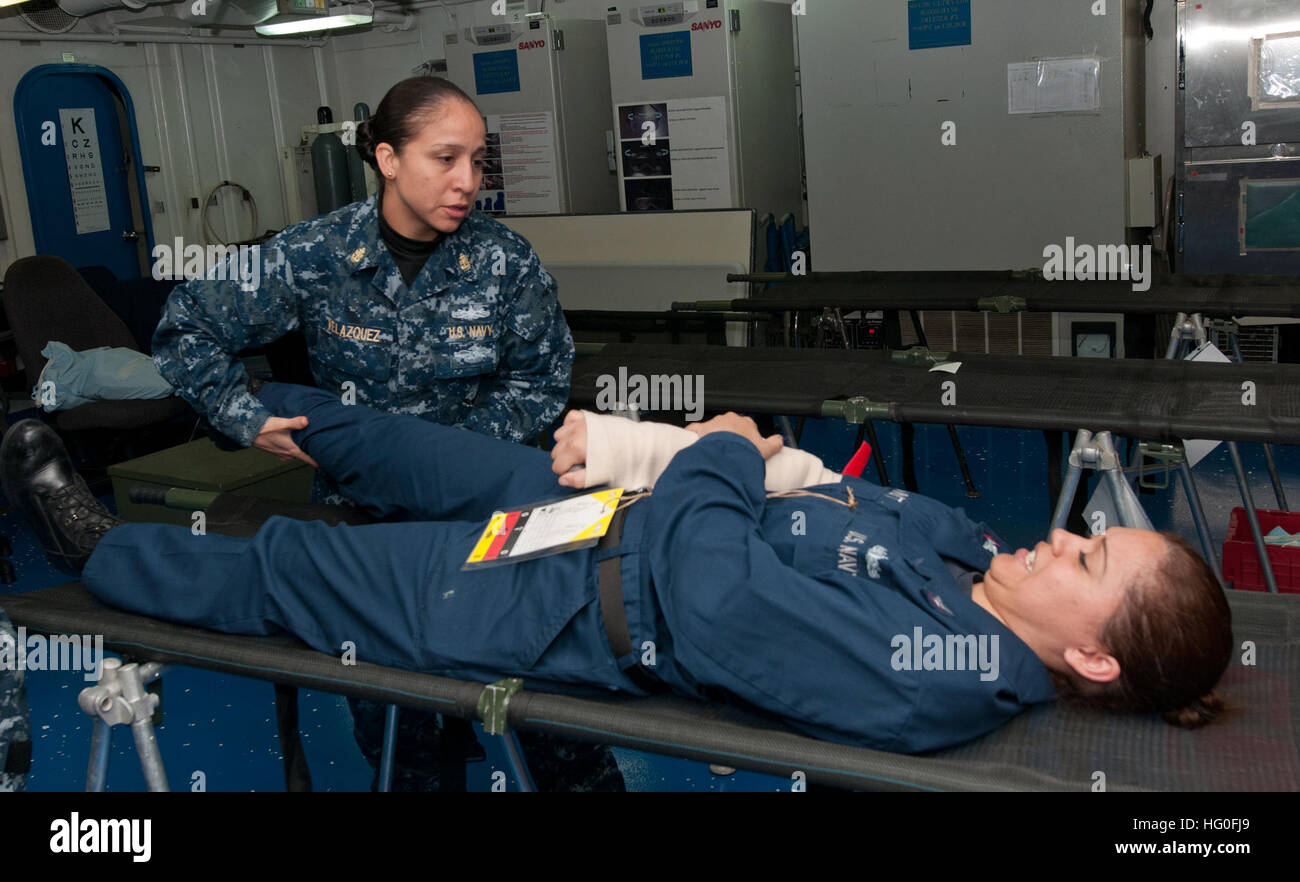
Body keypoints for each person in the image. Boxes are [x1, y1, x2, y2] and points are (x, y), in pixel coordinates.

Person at [1, 382, 1235, 761]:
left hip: (549, 597)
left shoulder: (945, 670)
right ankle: (242, 405)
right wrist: (715, 465)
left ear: (1091, 656)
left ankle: (108, 553)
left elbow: (712, 598)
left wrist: (708, 455)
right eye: (1088, 528)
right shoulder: (970, 553)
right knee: (386, 442)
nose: (1061, 533)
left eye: (1089, 556)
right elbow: (813, 482)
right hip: (599, 515)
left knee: (298, 570)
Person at [146, 75, 614, 790]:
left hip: (493, 523)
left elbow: (543, 385)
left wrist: (445, 450)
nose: (468, 182)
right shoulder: (314, 254)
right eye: (445, 159)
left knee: (554, 724)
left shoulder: (504, 262)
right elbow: (186, 327)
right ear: (389, 159)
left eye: (478, 162)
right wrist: (247, 417)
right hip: (370, 528)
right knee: (403, 741)